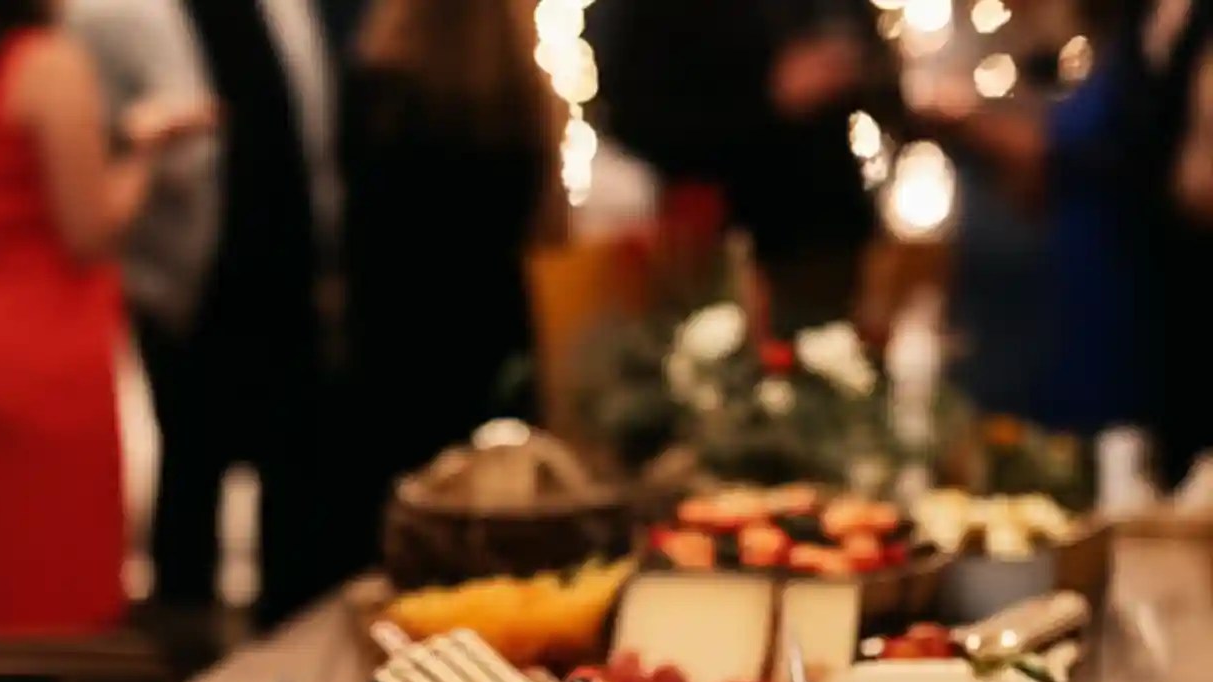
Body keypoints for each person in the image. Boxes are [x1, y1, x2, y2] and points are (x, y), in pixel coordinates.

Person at [0, 0, 209, 633]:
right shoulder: (45, 66)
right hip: (37, 363)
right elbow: (89, 228)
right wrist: (143, 151)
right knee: (55, 579)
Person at [69, 0, 344, 627]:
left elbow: (311, 139)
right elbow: (95, 151)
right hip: (184, 284)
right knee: (190, 475)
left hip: (289, 277)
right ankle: (178, 660)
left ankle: (285, 649)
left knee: (294, 478)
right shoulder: (117, 17)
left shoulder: (289, 12)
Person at [915, 0, 1213, 483]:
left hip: (1149, 296)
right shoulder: (1140, 19)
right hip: (1089, 289)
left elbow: (1191, 182)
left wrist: (967, 119)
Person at [341, 0, 564, 557]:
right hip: (493, 339)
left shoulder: (378, 90)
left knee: (400, 534)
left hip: (393, 341)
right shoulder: (523, 96)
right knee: (491, 530)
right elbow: (552, 231)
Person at [587, 0, 896, 334]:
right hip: (706, 249)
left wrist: (852, 70)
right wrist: (768, 97)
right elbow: (628, 114)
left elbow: (879, 63)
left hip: (826, 239)